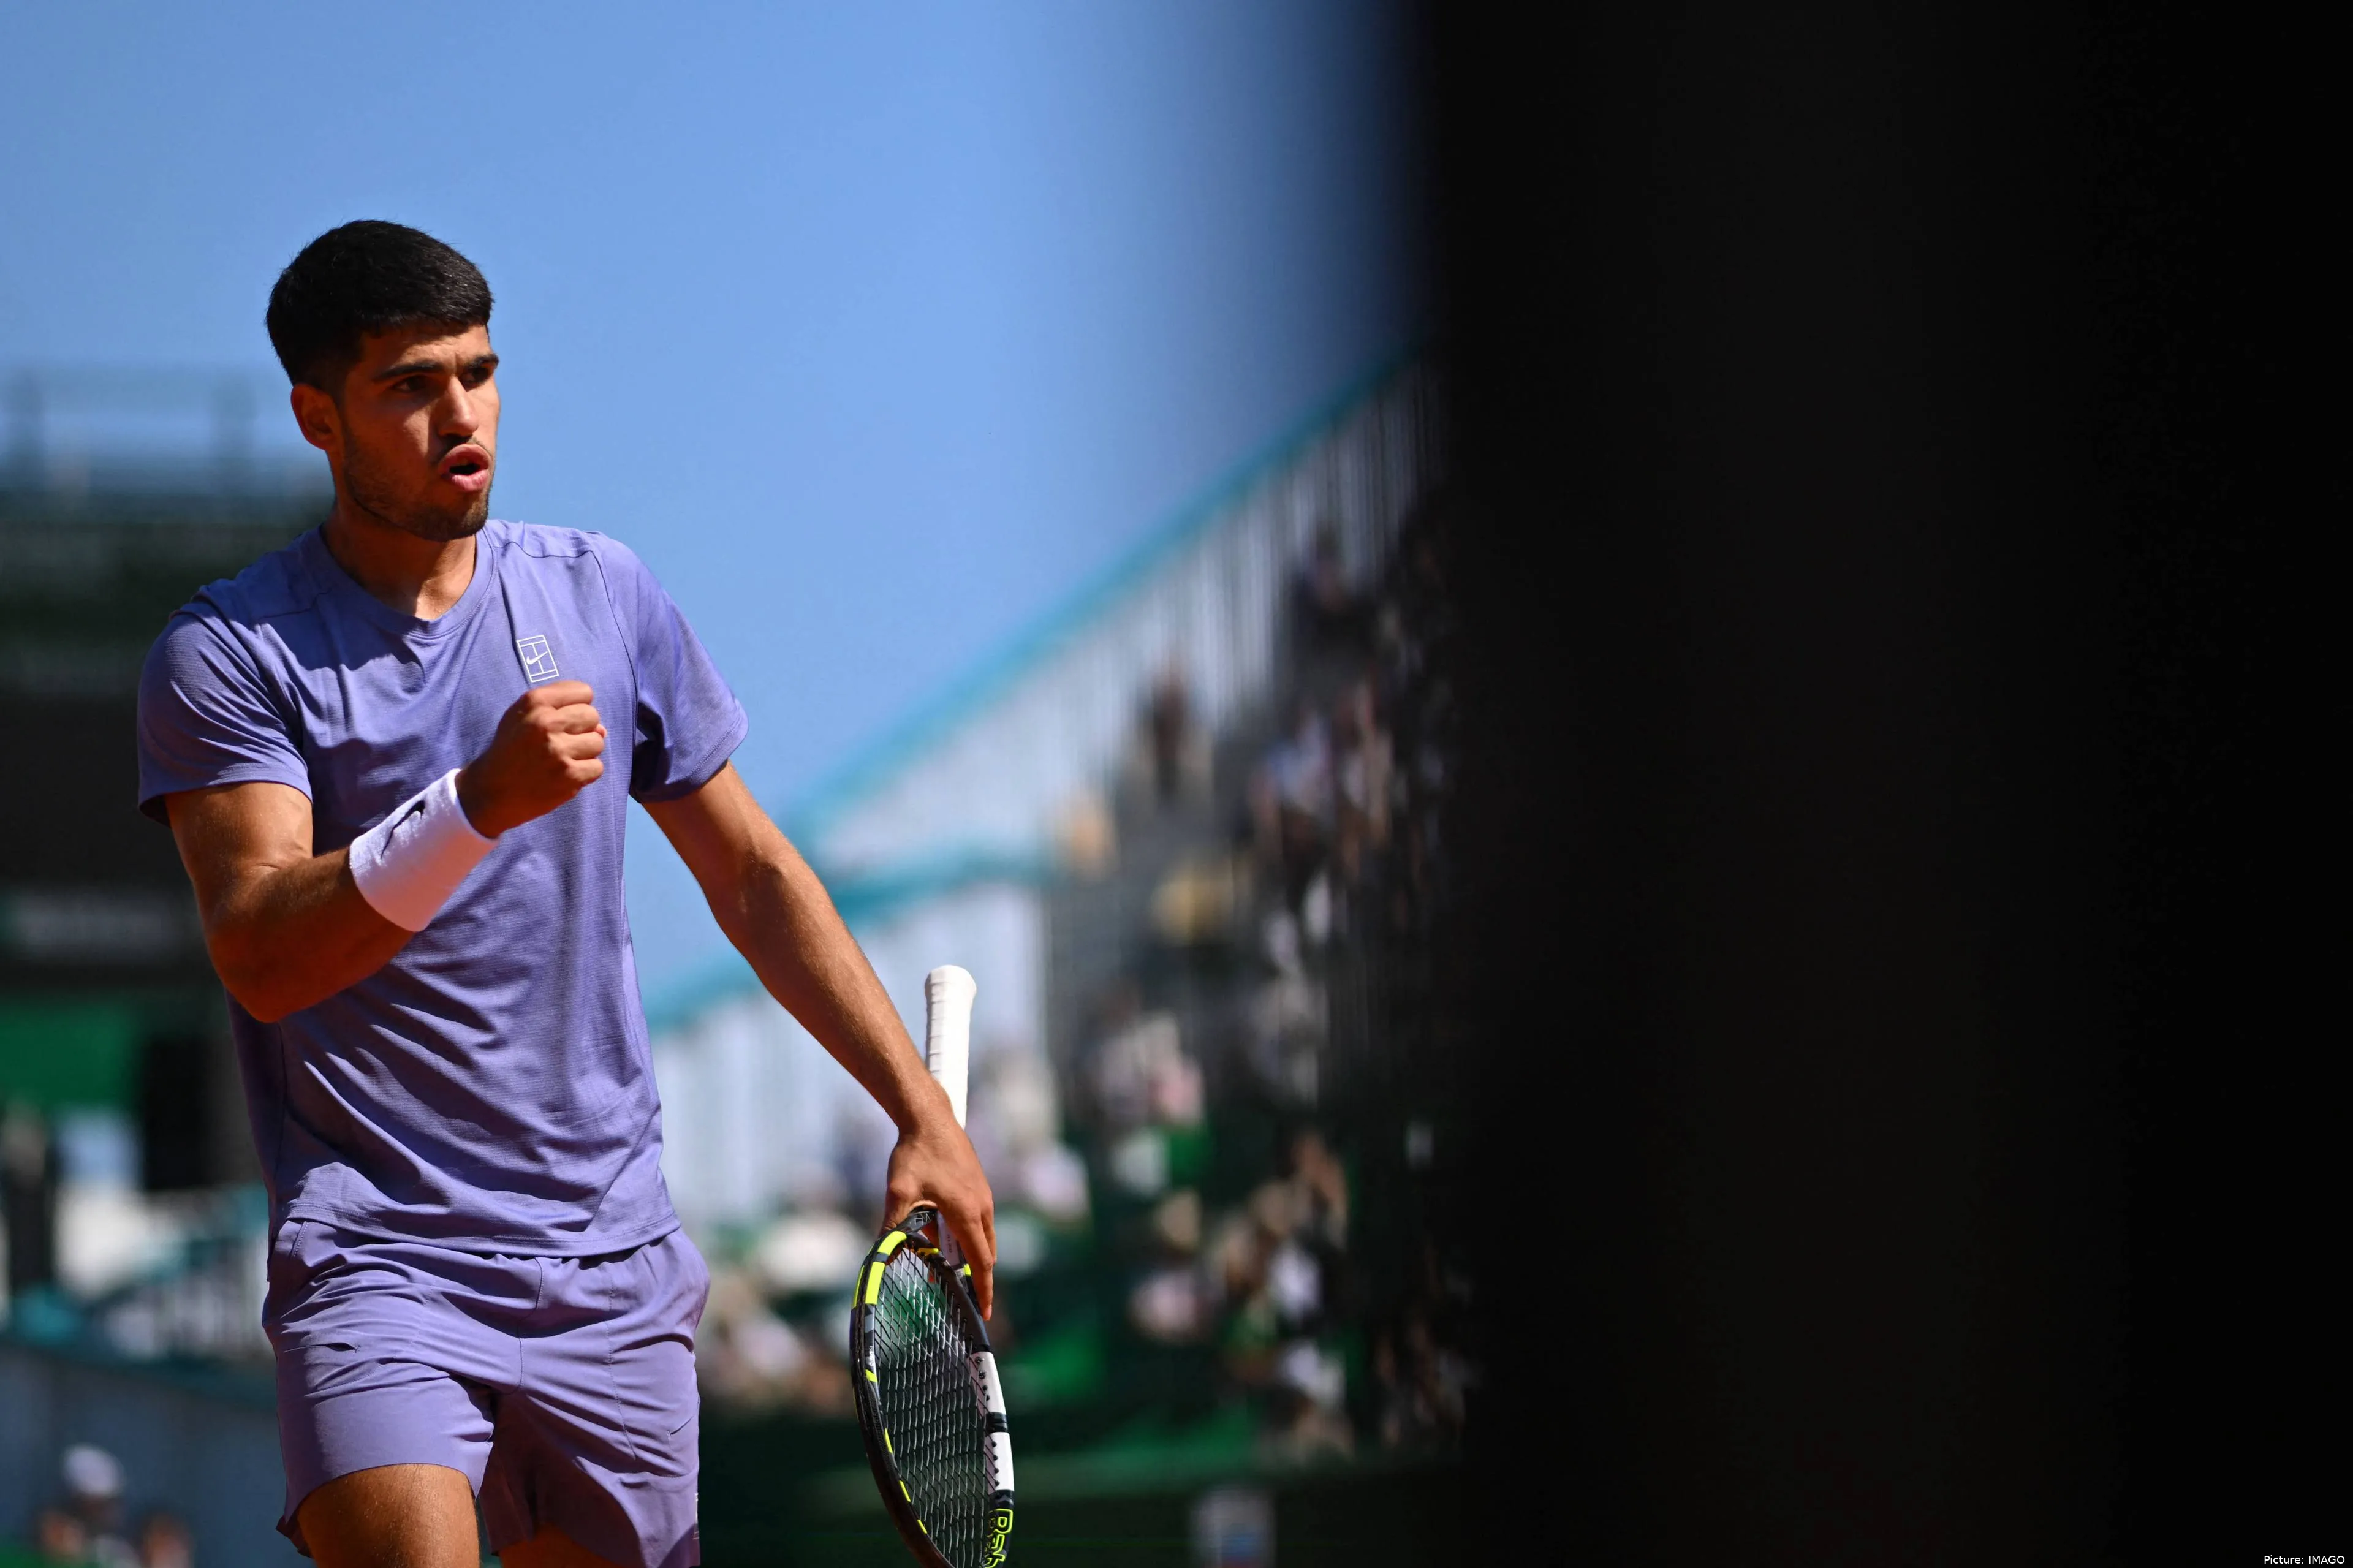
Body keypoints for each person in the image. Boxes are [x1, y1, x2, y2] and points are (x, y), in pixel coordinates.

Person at [135, 221, 995, 1568]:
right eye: (410, 385)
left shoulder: (605, 593)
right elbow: (260, 951)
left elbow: (756, 877)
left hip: (616, 1273)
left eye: (477, 373)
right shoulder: (229, 652)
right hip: (383, 1261)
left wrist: (921, 1111)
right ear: (319, 415)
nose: (459, 414)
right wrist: (477, 801)